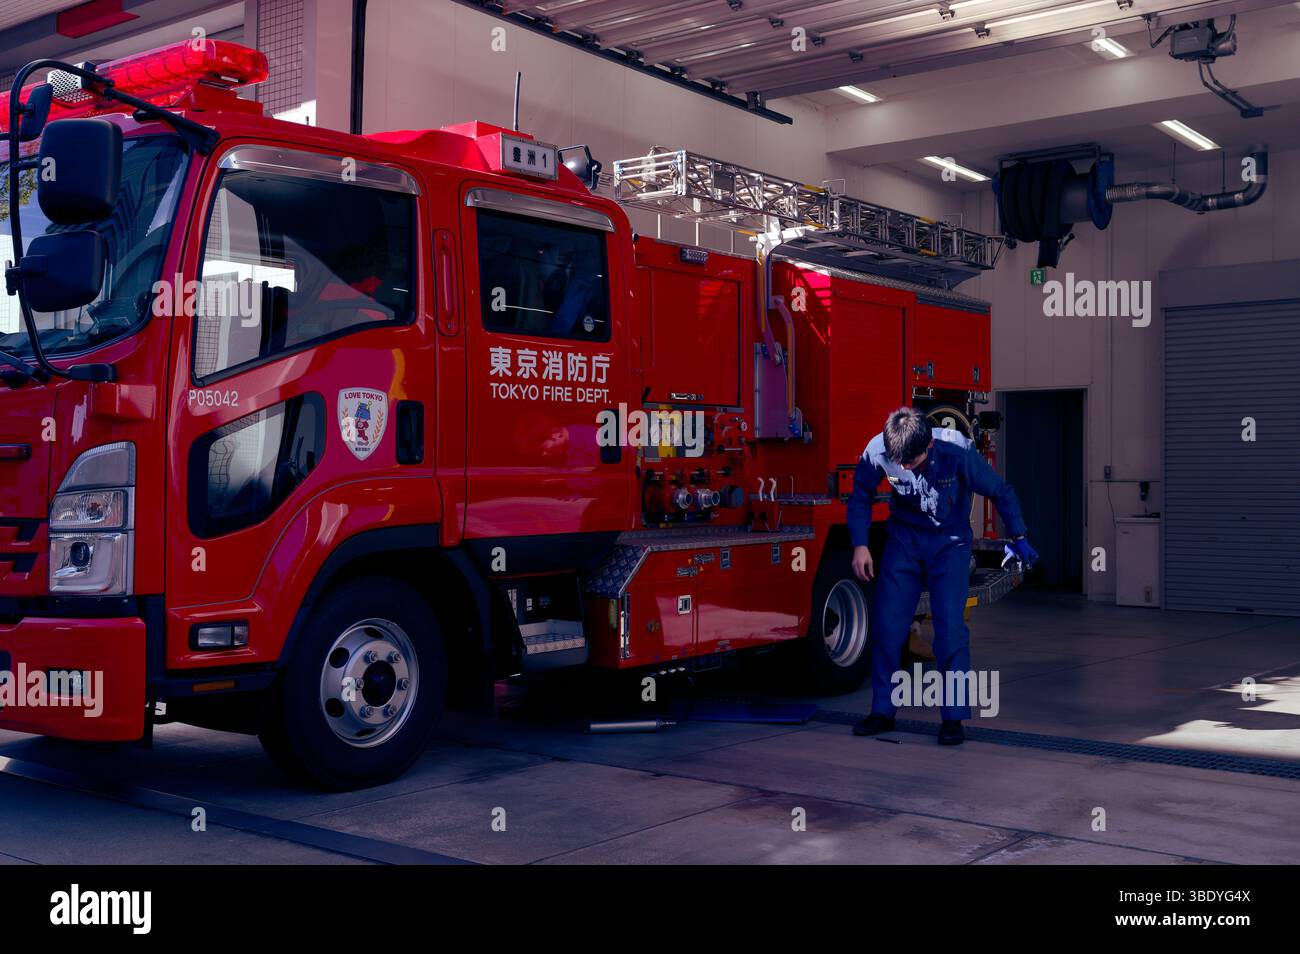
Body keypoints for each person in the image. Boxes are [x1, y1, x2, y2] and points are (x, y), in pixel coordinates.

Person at [846, 406, 1037, 745]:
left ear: (929, 447)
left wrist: (1019, 537)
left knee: (949, 630)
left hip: (949, 544)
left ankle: (952, 718)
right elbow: (859, 494)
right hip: (904, 542)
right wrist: (860, 544)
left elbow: (1000, 491)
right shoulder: (879, 449)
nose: (904, 468)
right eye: (898, 462)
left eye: (912, 463)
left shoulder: (957, 452)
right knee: (887, 627)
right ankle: (882, 711)